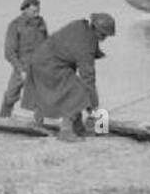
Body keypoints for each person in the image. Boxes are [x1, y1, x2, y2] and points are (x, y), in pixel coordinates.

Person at [24, 12, 116, 141]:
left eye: (106, 35)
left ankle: (76, 127)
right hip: (48, 64)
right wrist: (94, 108)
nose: (104, 38)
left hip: (41, 59)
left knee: (71, 88)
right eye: (102, 34)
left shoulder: (80, 26)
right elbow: (88, 78)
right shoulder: (85, 45)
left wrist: (91, 108)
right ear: (94, 28)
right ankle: (66, 131)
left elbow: (68, 52)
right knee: (77, 91)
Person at [0, 0, 48, 118]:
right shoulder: (15, 25)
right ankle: (4, 118)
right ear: (26, 9)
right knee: (11, 95)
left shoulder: (41, 24)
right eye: (33, 9)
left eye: (38, 9)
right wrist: (21, 70)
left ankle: (40, 124)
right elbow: (9, 52)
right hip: (22, 66)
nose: (37, 11)